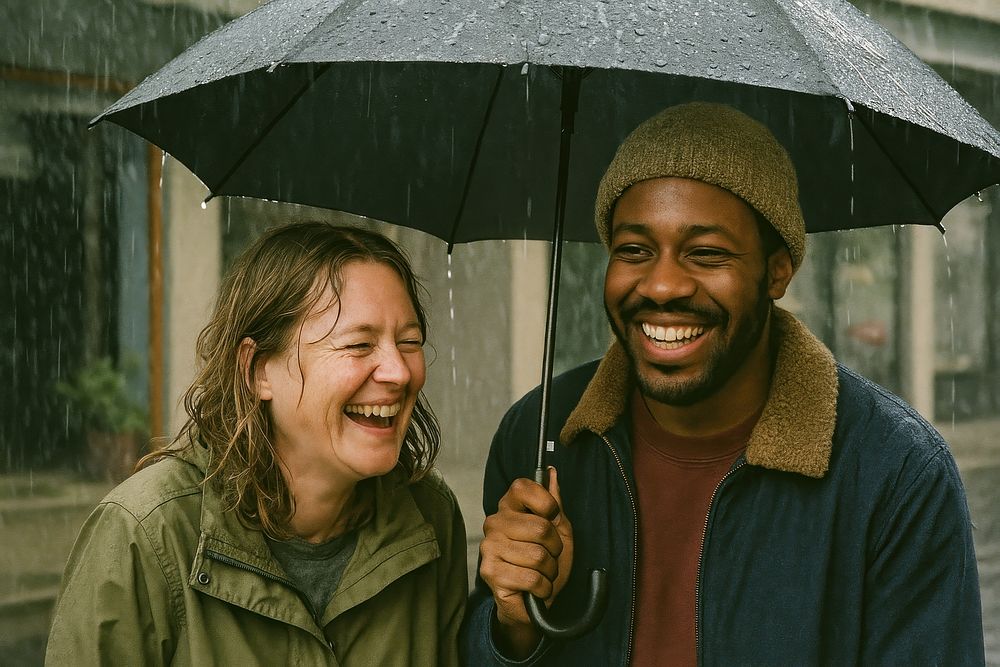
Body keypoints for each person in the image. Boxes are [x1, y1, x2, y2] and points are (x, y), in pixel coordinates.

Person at [461, 102, 984, 665]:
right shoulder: (540, 434)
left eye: (706, 254)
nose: (662, 286)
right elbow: (480, 651)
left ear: (777, 271)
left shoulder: (895, 471)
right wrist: (513, 625)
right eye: (633, 250)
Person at [46, 222, 468, 665]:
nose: (399, 372)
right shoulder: (147, 534)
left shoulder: (430, 517)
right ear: (258, 369)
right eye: (359, 344)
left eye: (410, 342)